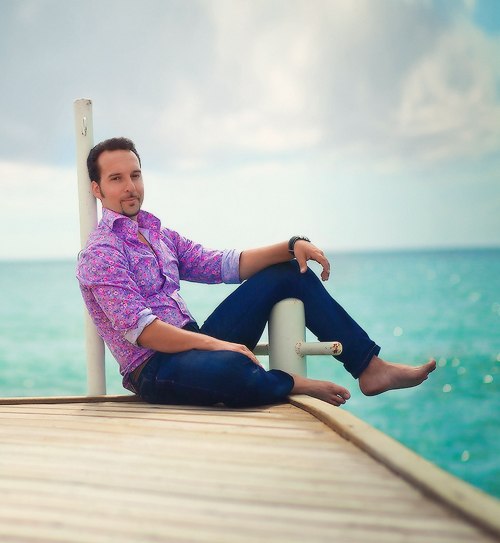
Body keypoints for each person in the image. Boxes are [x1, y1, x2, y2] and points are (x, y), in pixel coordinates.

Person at [76, 137, 436, 408]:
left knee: (288, 272)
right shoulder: (101, 253)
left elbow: (221, 264)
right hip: (154, 368)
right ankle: (290, 382)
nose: (130, 187)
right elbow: (145, 332)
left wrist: (291, 245)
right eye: (116, 179)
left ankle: (370, 367)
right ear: (97, 189)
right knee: (231, 369)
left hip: (197, 344)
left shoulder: (159, 235)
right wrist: (221, 346)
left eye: (135, 175)